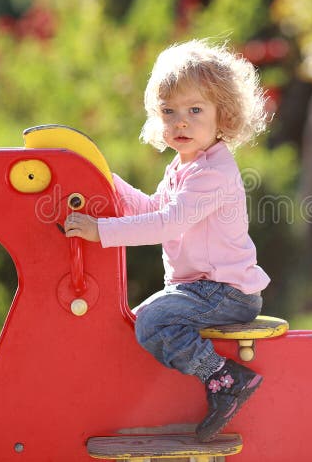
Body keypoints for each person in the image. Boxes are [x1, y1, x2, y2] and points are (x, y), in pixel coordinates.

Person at [64, 39, 270, 442]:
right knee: (136, 324)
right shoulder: (183, 167)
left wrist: (99, 231)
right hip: (199, 290)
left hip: (224, 291)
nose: (181, 122)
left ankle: (225, 379)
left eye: (195, 110)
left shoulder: (213, 172)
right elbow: (150, 210)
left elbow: (166, 224)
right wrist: (105, 180)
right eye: (169, 111)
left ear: (222, 116)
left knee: (153, 321)